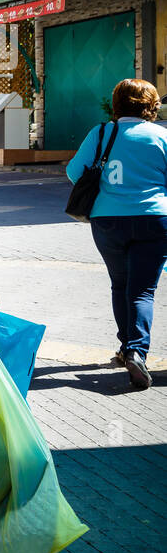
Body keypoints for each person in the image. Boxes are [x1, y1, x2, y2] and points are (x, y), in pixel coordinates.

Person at [65, 78, 167, 390]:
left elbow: (73, 172)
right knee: (142, 290)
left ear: (117, 103)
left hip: (107, 220)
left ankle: (126, 349)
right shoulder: (161, 135)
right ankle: (137, 351)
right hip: (154, 219)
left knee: (120, 284)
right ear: (151, 105)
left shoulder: (100, 133)